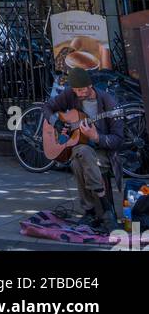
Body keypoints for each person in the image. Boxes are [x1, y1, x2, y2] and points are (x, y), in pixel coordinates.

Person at [43, 68, 123, 230]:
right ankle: (105, 209)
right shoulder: (71, 94)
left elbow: (118, 141)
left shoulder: (109, 103)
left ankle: (91, 211)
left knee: (79, 159)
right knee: (82, 152)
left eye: (81, 90)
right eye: (75, 90)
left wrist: (96, 137)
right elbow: (47, 108)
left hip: (104, 152)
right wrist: (57, 123)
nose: (78, 93)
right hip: (82, 149)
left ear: (90, 85)